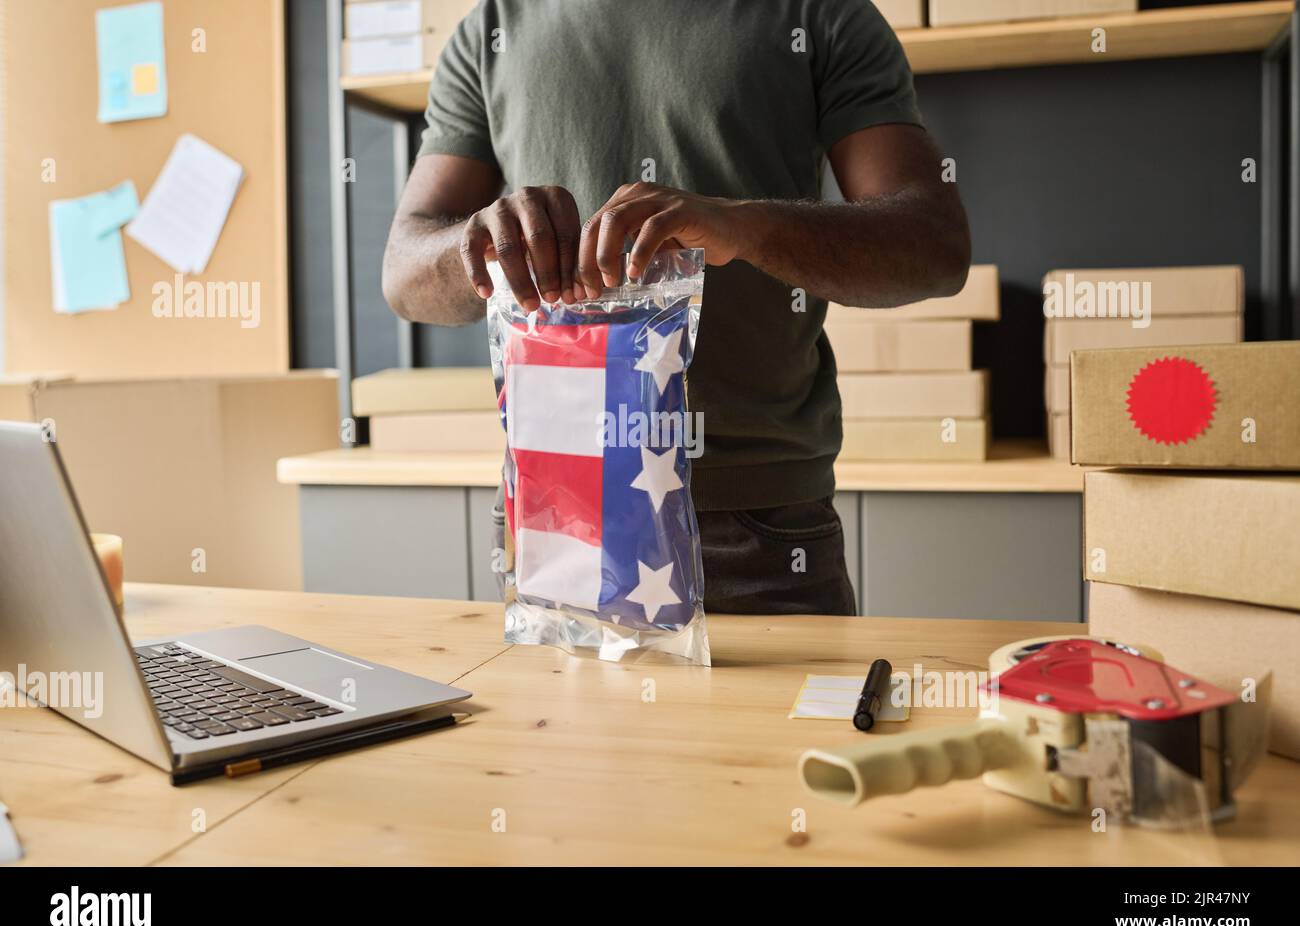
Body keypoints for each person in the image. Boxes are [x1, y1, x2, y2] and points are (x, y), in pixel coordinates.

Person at [382, 0, 971, 616]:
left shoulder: (821, 14)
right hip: (557, 509)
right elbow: (404, 273)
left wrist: (743, 225)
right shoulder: (491, 29)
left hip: (756, 524)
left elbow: (934, 245)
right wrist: (478, 241)